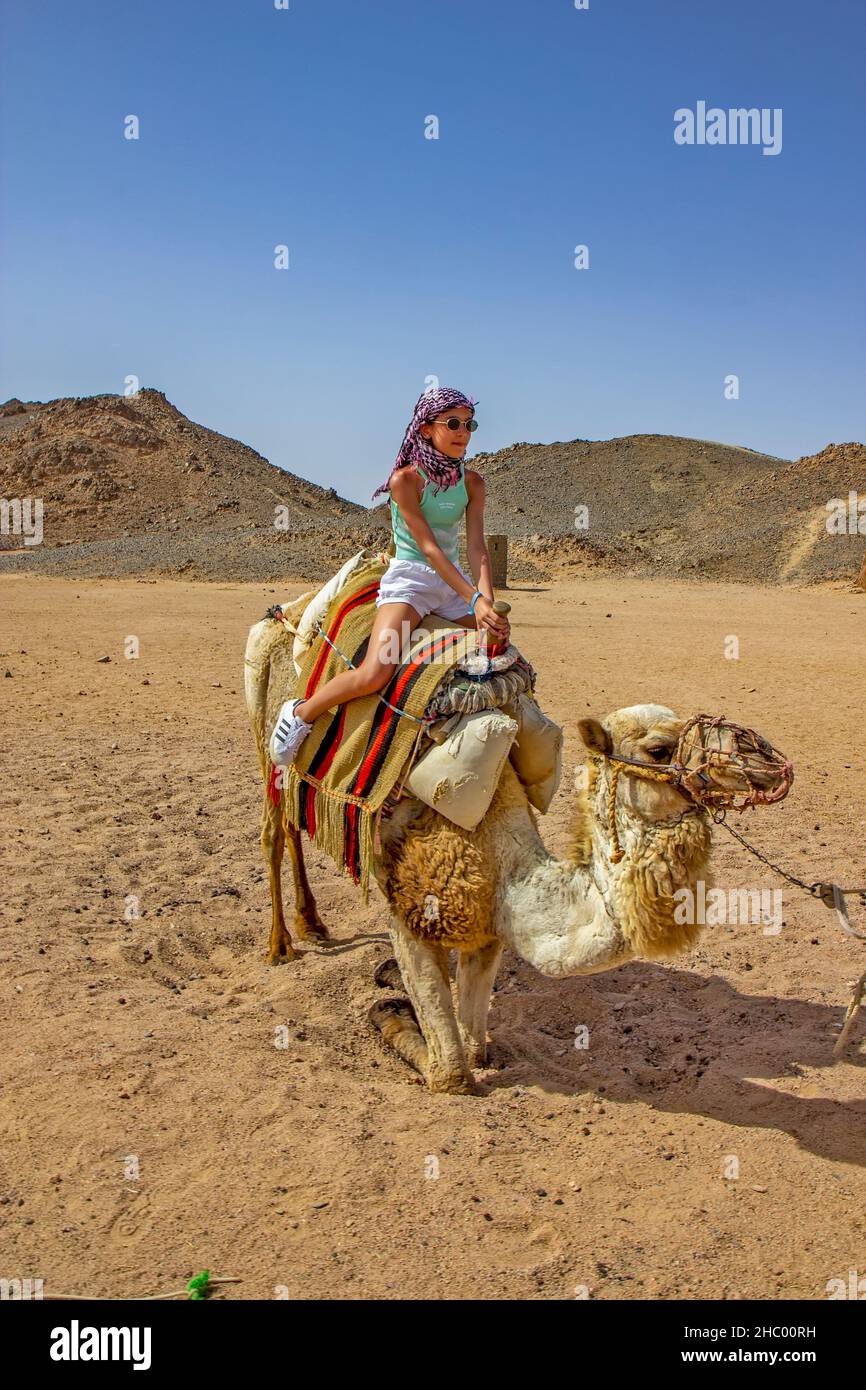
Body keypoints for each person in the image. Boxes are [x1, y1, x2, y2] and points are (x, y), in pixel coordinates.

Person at [269, 386, 510, 766]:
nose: (463, 431)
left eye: (469, 423)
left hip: (452, 584)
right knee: (375, 672)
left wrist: (488, 603)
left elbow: (477, 548)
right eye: (453, 423)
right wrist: (474, 600)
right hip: (411, 580)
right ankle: (300, 714)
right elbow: (429, 548)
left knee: (499, 646)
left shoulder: (473, 483)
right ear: (427, 429)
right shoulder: (406, 481)